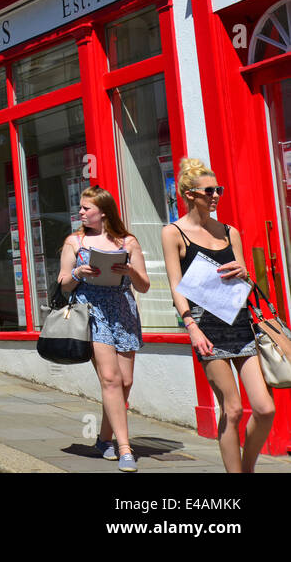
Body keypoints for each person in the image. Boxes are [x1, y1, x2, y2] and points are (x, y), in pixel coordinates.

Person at [163, 158, 276, 473]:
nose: (215, 195)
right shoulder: (173, 233)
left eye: (218, 190)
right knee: (233, 408)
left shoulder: (230, 231)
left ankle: (248, 467)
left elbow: (246, 282)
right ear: (189, 194)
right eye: (209, 190)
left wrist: (245, 273)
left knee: (265, 409)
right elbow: (176, 285)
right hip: (205, 327)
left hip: (239, 323)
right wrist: (191, 327)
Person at [58, 186, 150, 472]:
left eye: (87, 208)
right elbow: (62, 282)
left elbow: (144, 286)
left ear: (104, 211)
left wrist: (130, 271)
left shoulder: (128, 242)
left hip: (123, 311)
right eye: (82, 208)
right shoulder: (75, 241)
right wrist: (78, 273)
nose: (81, 212)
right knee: (110, 379)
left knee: (125, 382)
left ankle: (103, 438)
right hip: (92, 312)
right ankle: (124, 448)